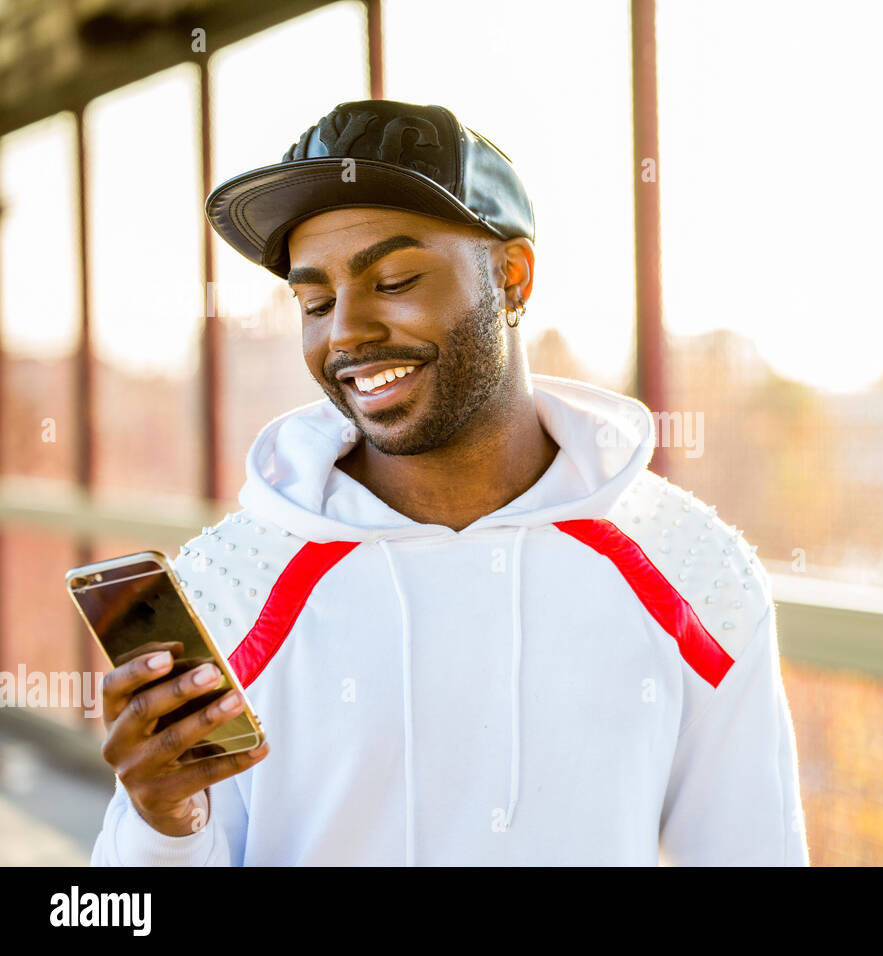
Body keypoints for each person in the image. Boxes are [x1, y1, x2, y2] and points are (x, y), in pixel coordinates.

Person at [90, 100, 809, 865]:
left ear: (512, 277)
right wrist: (161, 824)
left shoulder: (695, 571)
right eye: (315, 302)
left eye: (394, 279)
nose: (345, 333)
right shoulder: (224, 586)